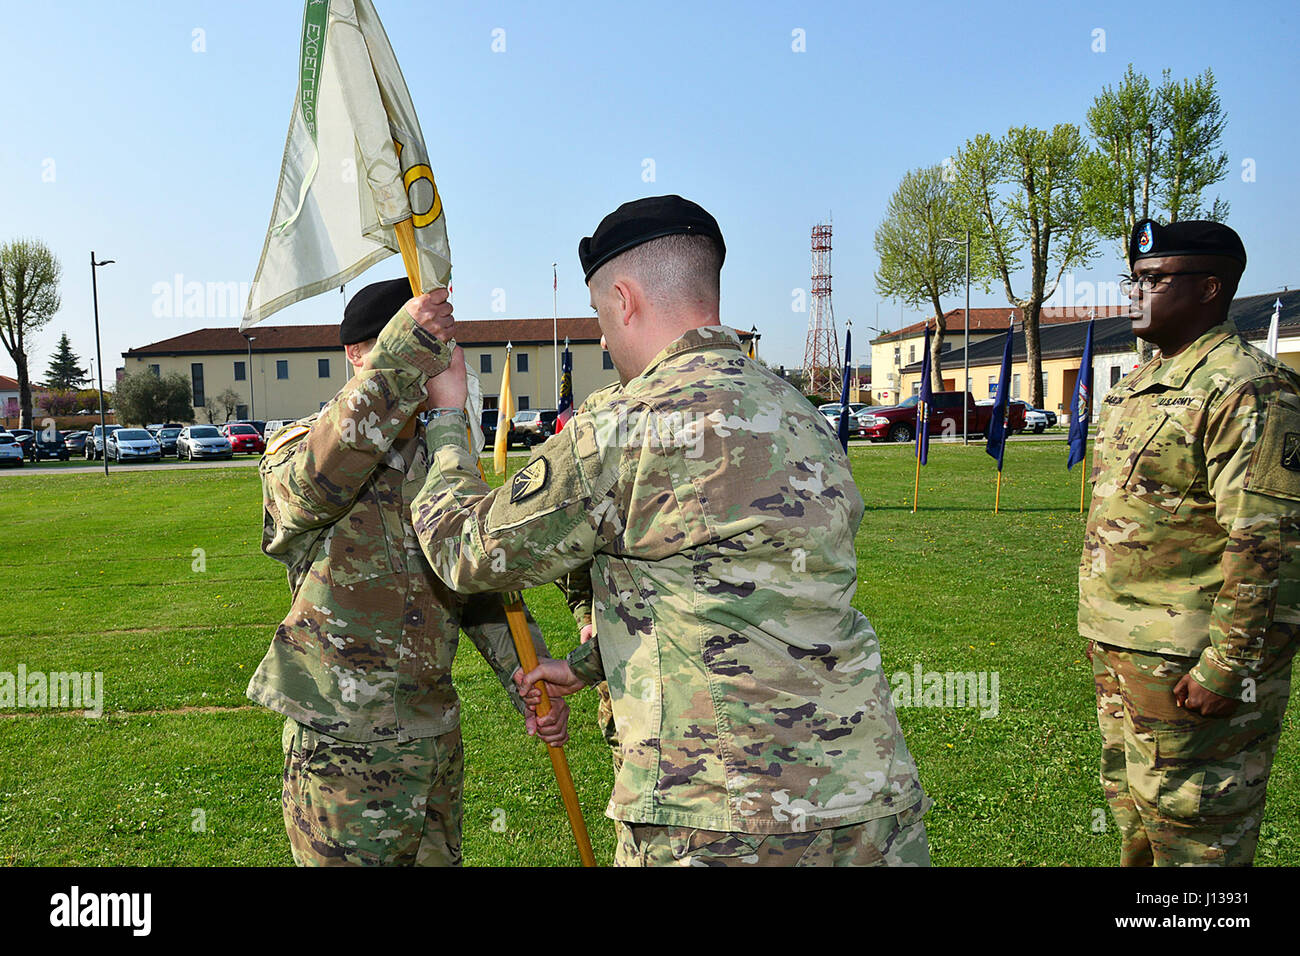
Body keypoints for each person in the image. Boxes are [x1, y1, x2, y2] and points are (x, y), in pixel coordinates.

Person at [410, 195, 929, 866]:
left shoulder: (624, 429)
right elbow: (735, 592)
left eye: (600, 317)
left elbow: (464, 551)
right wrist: (587, 666)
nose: (601, 339)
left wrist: (446, 420)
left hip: (720, 818)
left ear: (625, 300)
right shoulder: (801, 417)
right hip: (869, 806)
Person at [246, 280, 567, 867]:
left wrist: (532, 683)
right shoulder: (300, 446)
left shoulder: (436, 461)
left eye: (435, 353)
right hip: (344, 746)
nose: (425, 369)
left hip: (432, 738)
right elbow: (319, 478)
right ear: (356, 355)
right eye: (405, 350)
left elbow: (484, 592)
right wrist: (409, 354)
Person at [1081, 218, 1300, 866]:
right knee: (1139, 827)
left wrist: (1228, 666)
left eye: (1154, 280)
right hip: (1128, 651)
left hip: (1193, 663)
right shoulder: (1137, 386)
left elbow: (1269, 538)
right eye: (1134, 280)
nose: (1136, 295)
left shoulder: (1248, 389)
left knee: (1198, 837)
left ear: (1210, 288)